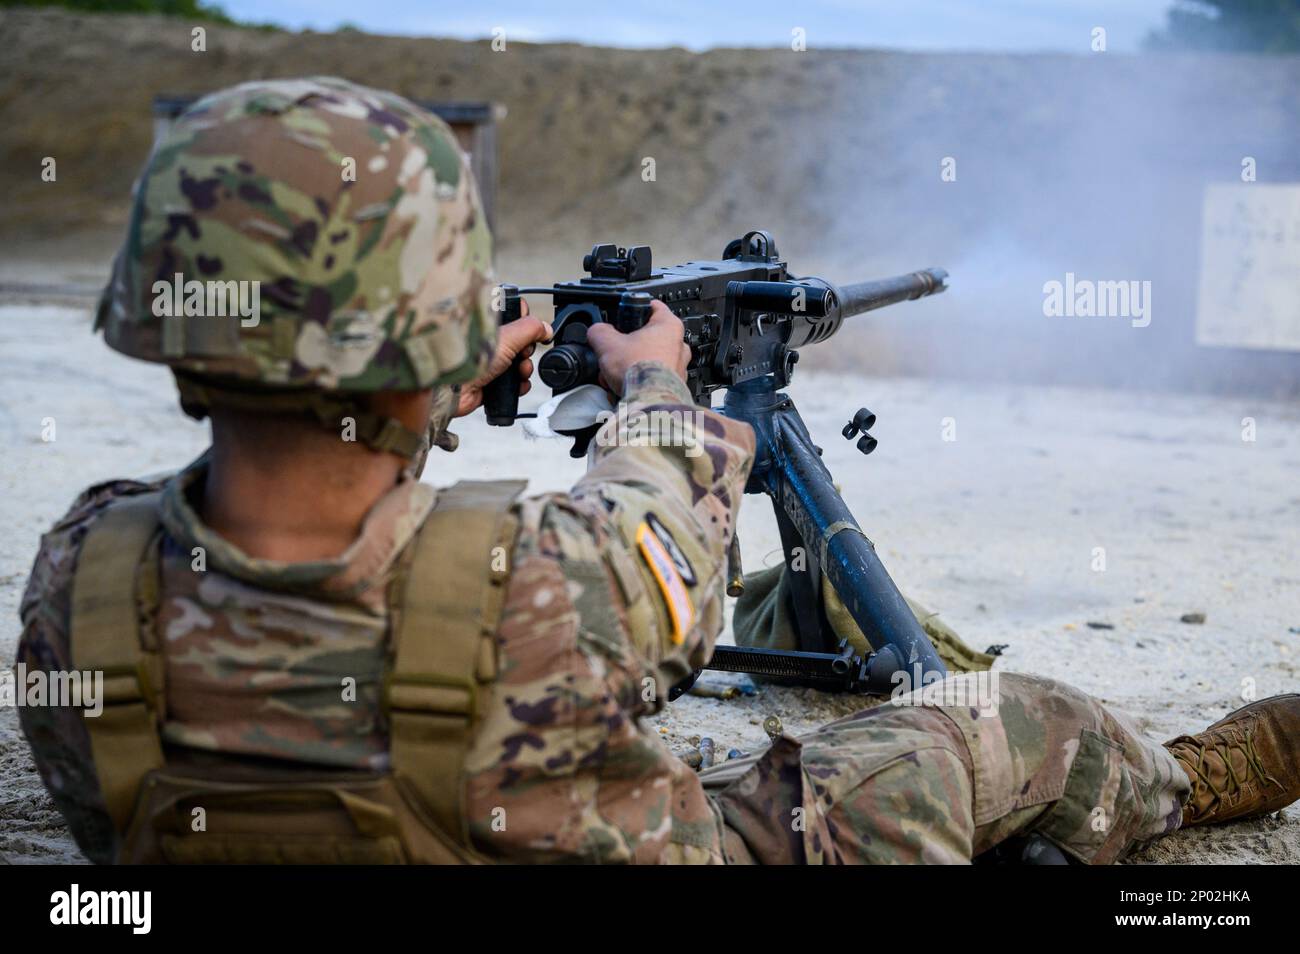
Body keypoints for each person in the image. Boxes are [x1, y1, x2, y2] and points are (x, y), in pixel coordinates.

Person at [16, 77, 1299, 864]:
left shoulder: (79, 579)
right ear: (432, 325)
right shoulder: (549, 589)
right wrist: (657, 381)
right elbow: (671, 524)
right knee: (996, 723)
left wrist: (421, 391)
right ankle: (1183, 783)